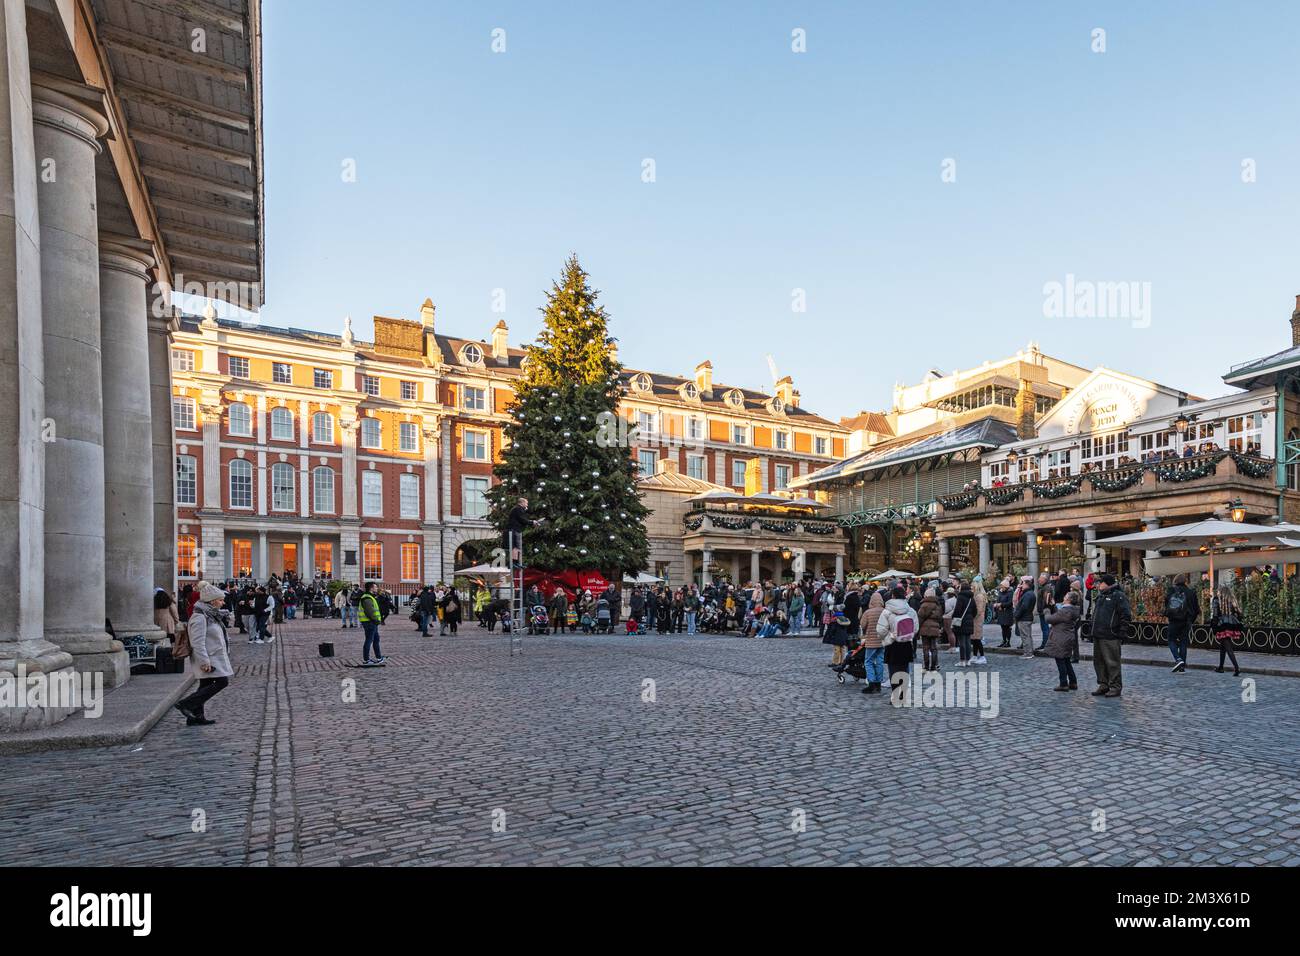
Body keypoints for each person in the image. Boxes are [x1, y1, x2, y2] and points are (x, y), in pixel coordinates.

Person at [174, 582, 233, 726]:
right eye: (220, 600)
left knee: (205, 684)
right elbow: (197, 642)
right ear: (212, 601)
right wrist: (204, 662)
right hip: (208, 657)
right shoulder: (200, 617)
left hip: (214, 655)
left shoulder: (211, 614)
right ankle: (186, 704)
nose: (223, 602)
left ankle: (196, 716)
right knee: (222, 682)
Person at [1089, 573, 1130, 698]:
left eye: (1101, 582)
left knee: (1112, 662)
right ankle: (1103, 684)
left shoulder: (1118, 596)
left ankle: (1115, 686)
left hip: (1111, 635)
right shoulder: (1101, 596)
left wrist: (1122, 632)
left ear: (1108, 584)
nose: (1098, 585)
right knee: (1099, 662)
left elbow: (1125, 615)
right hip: (1098, 634)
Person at [877, 586, 919, 687]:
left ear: (892, 596)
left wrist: (890, 636)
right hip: (906, 643)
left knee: (893, 670)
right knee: (904, 669)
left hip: (892, 643)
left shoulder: (886, 611)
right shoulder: (911, 611)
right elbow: (915, 628)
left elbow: (881, 631)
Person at [1043, 591, 1082, 691]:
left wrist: (1047, 610)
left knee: (1060, 661)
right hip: (1067, 637)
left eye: (1065, 596)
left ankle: (1063, 683)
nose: (1064, 598)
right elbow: (1060, 617)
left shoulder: (1065, 611)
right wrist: (1054, 606)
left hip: (1061, 638)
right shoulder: (1072, 610)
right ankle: (1073, 682)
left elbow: (1049, 619)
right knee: (1066, 661)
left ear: (1068, 599)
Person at [1164, 572, 1199, 673]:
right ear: (1185, 581)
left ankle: (1178, 659)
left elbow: (1167, 605)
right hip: (1186, 621)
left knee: (1171, 640)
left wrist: (1169, 615)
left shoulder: (1171, 590)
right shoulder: (1191, 592)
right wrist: (1191, 620)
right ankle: (1182, 666)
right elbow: (1196, 609)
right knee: (1183, 642)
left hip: (1174, 620)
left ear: (1175, 581)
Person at [1209, 586, 1242, 676]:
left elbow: (1215, 614)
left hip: (1222, 624)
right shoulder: (1232, 599)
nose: (1218, 592)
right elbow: (1239, 613)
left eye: (1219, 591)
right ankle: (1221, 667)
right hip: (1231, 623)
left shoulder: (1217, 600)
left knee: (1227, 646)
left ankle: (1236, 667)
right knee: (1223, 646)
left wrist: (1214, 625)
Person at [858, 590, 886, 694]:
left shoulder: (868, 612)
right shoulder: (885, 611)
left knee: (868, 661)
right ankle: (878, 684)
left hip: (871, 640)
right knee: (880, 661)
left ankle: (871, 684)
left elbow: (863, 624)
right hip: (882, 640)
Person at [917, 586, 944, 673]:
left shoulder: (923, 605)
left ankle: (926, 667)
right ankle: (933, 668)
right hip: (935, 628)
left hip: (925, 629)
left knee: (926, 648)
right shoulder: (938, 605)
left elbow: (920, 618)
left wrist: (917, 629)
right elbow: (940, 618)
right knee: (934, 648)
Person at [505, 496, 538, 567]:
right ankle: (514, 562)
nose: (527, 505)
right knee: (515, 546)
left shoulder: (518, 509)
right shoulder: (518, 509)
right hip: (515, 530)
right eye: (526, 503)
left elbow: (522, 519)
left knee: (517, 546)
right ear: (522, 503)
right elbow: (522, 519)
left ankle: (516, 562)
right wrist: (532, 522)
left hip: (516, 529)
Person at [358, 581, 386, 664]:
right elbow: (369, 612)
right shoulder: (367, 598)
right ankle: (366, 659)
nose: (377, 588)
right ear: (371, 588)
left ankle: (379, 657)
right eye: (375, 587)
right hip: (369, 622)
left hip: (372, 622)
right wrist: (376, 620)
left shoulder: (370, 596)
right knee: (369, 640)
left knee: (376, 639)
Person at [952, 580, 978, 667]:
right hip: (969, 621)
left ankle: (962, 660)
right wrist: (970, 617)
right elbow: (975, 611)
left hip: (961, 621)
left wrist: (954, 618)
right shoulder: (971, 598)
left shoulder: (960, 597)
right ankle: (968, 660)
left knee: (961, 642)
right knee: (967, 641)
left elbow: (957, 610)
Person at [1013, 575, 1036, 659]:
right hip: (1026, 617)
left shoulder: (1028, 594)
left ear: (1027, 585)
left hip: (1024, 618)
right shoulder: (1029, 593)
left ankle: (1028, 653)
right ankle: (1029, 652)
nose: (1022, 585)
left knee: (1025, 636)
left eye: (1023, 584)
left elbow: (1024, 607)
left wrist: (1017, 614)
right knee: (1027, 636)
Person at [994, 578, 1014, 647]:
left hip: (1007, 613)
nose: (1001, 587)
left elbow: (1010, 603)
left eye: (1002, 586)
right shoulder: (1000, 592)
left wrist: (1001, 604)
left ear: (1006, 586)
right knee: (1003, 627)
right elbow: (998, 600)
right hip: (1001, 612)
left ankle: (1008, 642)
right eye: (1001, 586)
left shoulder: (1010, 592)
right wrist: (996, 604)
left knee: (1007, 628)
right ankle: (1004, 641)